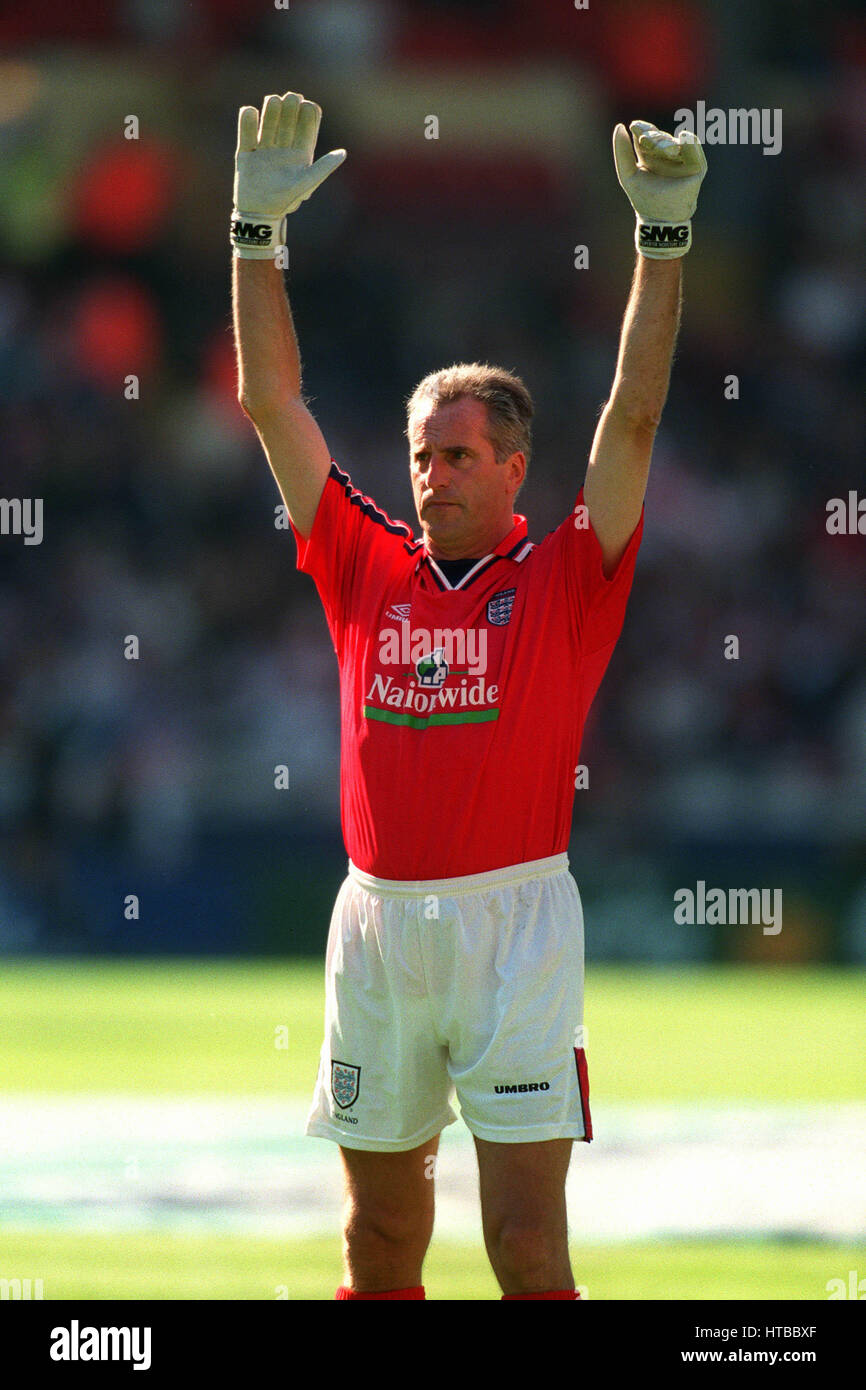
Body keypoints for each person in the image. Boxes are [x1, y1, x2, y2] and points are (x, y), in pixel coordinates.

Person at [231, 91, 706, 1300]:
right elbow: (272, 406)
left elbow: (634, 414)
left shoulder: (561, 580)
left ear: (511, 467)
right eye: (419, 455)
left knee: (526, 1250)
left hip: (514, 933)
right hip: (377, 928)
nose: (431, 475)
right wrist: (252, 237)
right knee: (376, 1244)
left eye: (456, 455)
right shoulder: (361, 562)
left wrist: (658, 248)